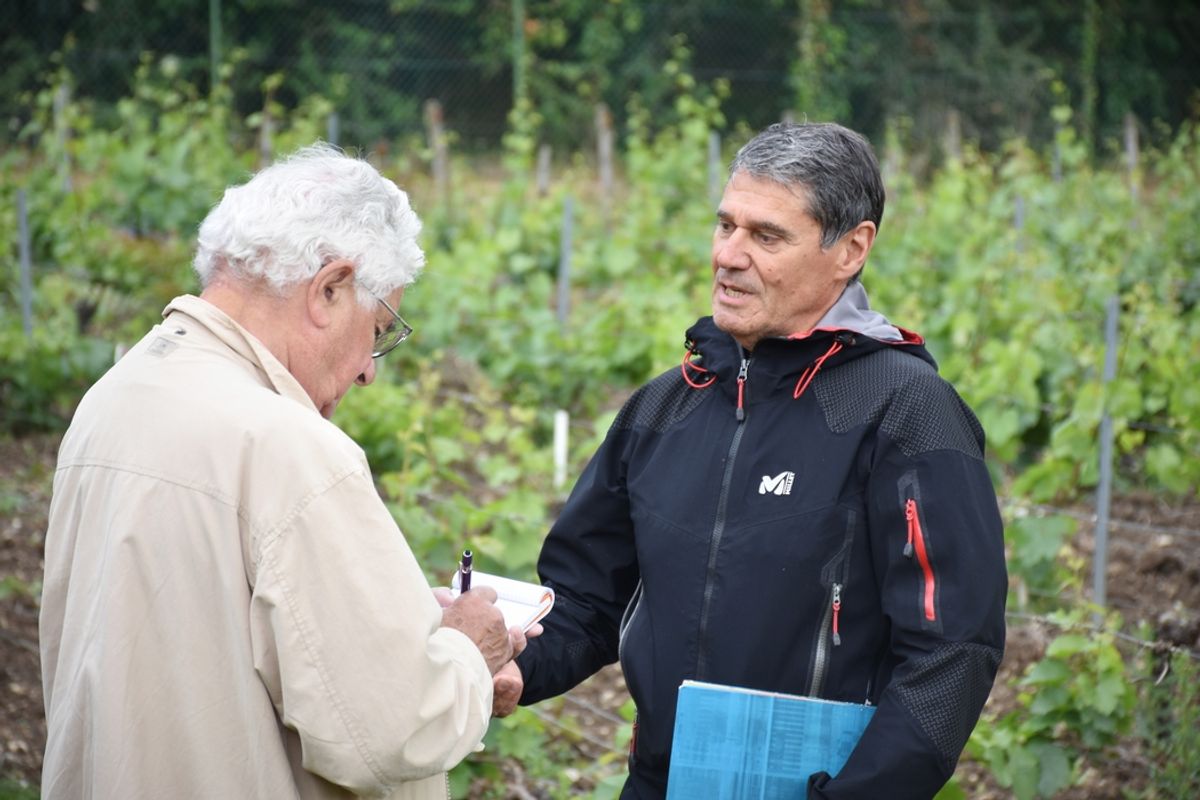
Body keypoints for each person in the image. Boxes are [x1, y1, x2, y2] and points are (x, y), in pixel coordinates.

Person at [508, 122, 1007, 798]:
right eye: (725, 226)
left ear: (852, 248)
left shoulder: (907, 412)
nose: (729, 255)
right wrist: (513, 668)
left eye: (767, 236)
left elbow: (952, 651)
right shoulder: (664, 407)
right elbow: (586, 599)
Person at [39, 144, 532, 799]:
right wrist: (469, 650)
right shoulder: (290, 447)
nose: (369, 369)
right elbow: (393, 729)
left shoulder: (114, 397)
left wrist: (401, 629)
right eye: (378, 328)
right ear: (330, 288)